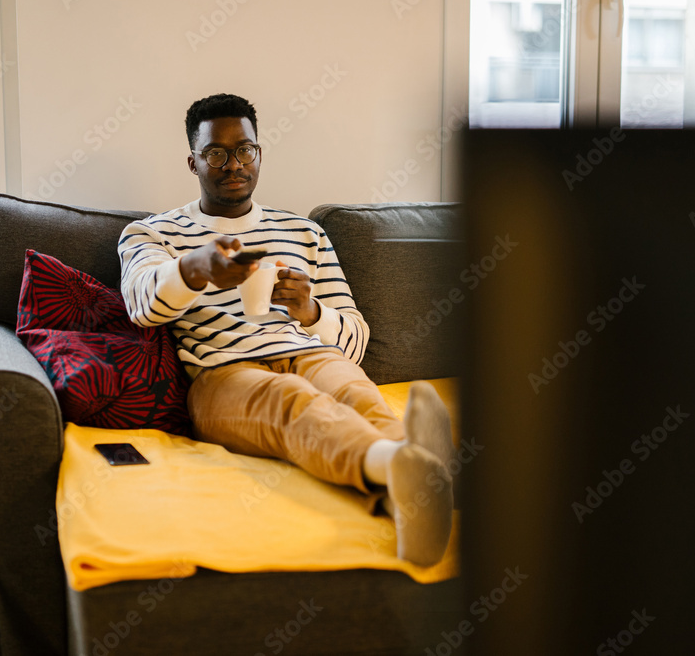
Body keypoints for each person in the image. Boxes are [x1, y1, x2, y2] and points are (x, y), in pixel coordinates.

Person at [118, 93, 454, 565]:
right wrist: (197, 266)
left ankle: (410, 481)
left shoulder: (304, 233)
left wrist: (310, 311)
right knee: (293, 403)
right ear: (192, 162)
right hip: (221, 372)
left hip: (308, 352)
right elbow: (141, 305)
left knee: (354, 391)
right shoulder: (152, 233)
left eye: (245, 150)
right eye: (216, 152)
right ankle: (405, 462)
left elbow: (356, 340)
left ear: (260, 154)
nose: (233, 164)